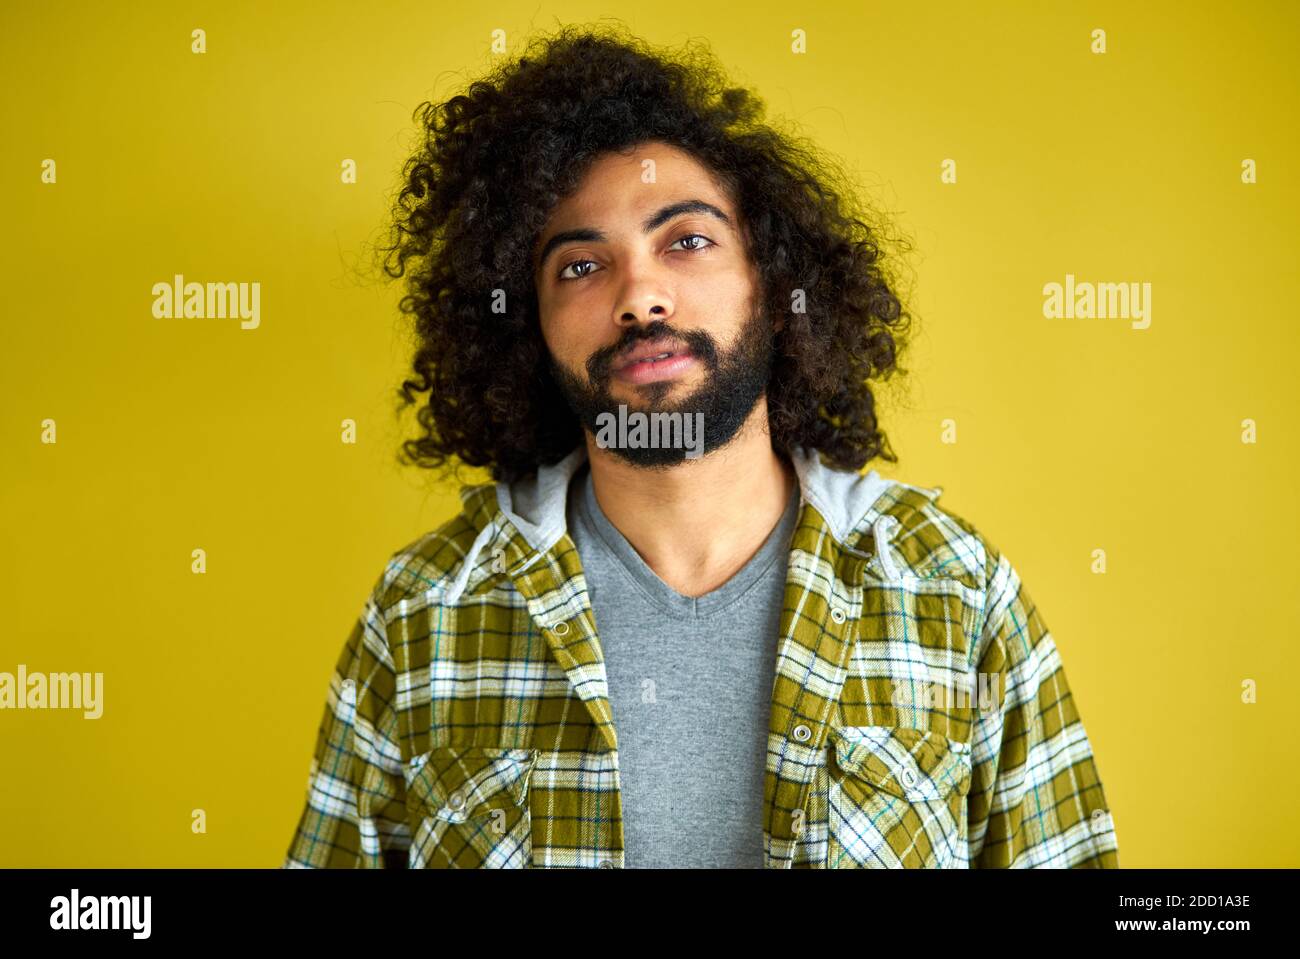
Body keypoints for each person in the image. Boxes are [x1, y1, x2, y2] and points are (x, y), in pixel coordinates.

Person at [284, 25, 1118, 869]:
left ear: (772, 279)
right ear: (526, 327)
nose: (641, 295)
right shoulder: (421, 613)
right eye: (580, 265)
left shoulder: (956, 591)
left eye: (686, 240)